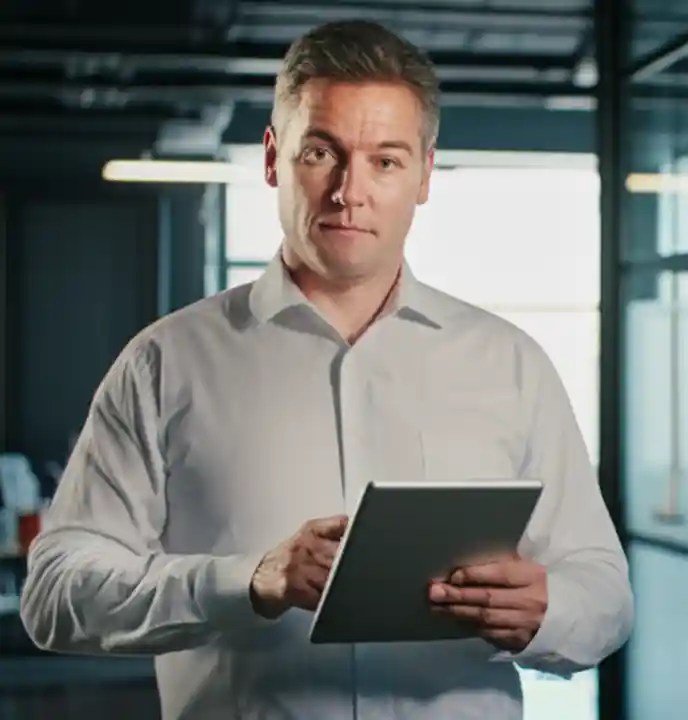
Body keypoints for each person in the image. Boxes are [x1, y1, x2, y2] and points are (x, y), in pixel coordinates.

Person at [20, 19, 633, 719]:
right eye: (323, 152)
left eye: (386, 160)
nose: (350, 190)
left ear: (425, 175)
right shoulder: (165, 363)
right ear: (274, 159)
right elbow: (55, 593)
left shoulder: (510, 363)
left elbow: (606, 593)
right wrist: (246, 581)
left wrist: (548, 612)